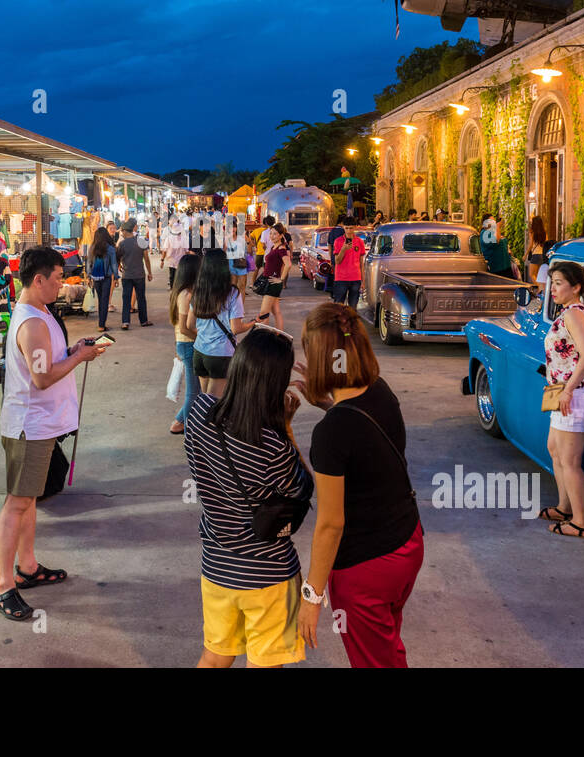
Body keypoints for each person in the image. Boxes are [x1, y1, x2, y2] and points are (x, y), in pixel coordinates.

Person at [295, 304, 423, 667]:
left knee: (372, 660)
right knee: (386, 646)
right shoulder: (380, 392)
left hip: (366, 568)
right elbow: (362, 442)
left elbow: (331, 523)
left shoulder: (332, 433)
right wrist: (328, 405)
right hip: (406, 543)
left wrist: (311, 596)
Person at [184, 324, 313, 668]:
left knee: (214, 657)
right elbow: (303, 491)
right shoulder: (273, 447)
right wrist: (285, 427)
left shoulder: (198, 414)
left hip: (216, 566)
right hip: (267, 575)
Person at [0, 247, 106, 622]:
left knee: (27, 503)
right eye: (58, 277)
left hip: (40, 425)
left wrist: (73, 349)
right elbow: (41, 378)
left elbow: (46, 362)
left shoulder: (41, 314)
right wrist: (79, 359)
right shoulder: (32, 322)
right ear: (38, 279)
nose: (62, 283)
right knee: (17, 504)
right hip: (31, 426)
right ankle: (4, 585)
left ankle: (27, 566)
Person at [538, 262, 584, 539]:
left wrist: (568, 389)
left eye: (558, 284)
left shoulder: (574, 314)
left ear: (576, 287)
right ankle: (565, 506)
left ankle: (581, 522)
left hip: (573, 396)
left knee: (570, 459)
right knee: (555, 449)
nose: (552, 289)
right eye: (551, 283)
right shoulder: (575, 312)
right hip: (565, 392)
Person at [185, 249, 254, 398]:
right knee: (217, 404)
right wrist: (253, 324)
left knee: (205, 401)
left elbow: (190, 325)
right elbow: (236, 328)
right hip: (220, 354)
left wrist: (206, 335)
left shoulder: (198, 291)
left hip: (199, 353)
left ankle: (202, 421)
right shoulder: (232, 293)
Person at [168, 254, 202, 436]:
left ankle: (183, 422)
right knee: (193, 392)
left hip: (184, 344)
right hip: (188, 344)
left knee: (197, 390)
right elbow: (184, 327)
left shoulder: (182, 291)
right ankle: (179, 423)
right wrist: (203, 338)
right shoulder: (186, 294)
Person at [117, 219, 153, 330]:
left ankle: (125, 322)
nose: (121, 233)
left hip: (127, 275)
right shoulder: (141, 241)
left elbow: (117, 258)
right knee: (141, 298)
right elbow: (146, 258)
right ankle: (143, 320)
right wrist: (149, 272)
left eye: (122, 231)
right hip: (139, 275)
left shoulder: (122, 244)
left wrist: (119, 266)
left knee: (126, 298)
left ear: (125, 231)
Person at [255, 223, 292, 332]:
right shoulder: (273, 246)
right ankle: (279, 335)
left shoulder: (281, 248)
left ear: (281, 235)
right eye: (271, 233)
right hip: (270, 281)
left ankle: (265, 337)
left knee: (263, 313)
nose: (272, 236)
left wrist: (280, 279)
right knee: (276, 312)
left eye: (275, 234)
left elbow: (288, 264)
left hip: (272, 283)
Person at [87, 226, 118, 333]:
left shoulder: (92, 248)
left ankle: (101, 323)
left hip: (95, 277)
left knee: (101, 300)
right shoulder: (110, 248)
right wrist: (116, 277)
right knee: (104, 301)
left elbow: (89, 263)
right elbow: (114, 264)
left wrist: (88, 276)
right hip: (106, 277)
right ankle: (101, 324)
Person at [330, 220, 365, 309]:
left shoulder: (360, 241)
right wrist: (343, 249)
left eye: (351, 228)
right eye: (346, 228)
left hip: (355, 278)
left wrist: (363, 281)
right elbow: (337, 261)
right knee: (339, 307)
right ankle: (338, 323)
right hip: (341, 278)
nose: (349, 231)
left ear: (355, 228)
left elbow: (361, 263)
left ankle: (351, 323)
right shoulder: (338, 241)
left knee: (353, 307)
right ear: (343, 228)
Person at [225, 217, 250, 300]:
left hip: (240, 262)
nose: (232, 229)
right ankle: (233, 306)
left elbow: (249, 251)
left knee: (242, 286)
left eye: (234, 227)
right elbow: (224, 252)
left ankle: (241, 309)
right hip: (230, 263)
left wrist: (248, 241)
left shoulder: (242, 238)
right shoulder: (225, 239)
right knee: (232, 286)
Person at [525, 216, 548, 285]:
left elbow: (530, 245)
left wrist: (525, 255)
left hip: (535, 255)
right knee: (538, 276)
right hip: (542, 255)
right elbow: (546, 244)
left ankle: (540, 289)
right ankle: (540, 290)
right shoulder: (544, 233)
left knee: (531, 275)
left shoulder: (532, 232)